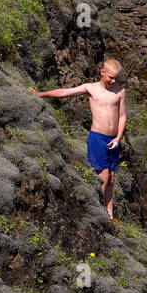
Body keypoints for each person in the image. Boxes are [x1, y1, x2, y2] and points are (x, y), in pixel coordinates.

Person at [29, 58, 126, 220]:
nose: (113, 80)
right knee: (104, 175)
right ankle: (98, 210)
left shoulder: (120, 91)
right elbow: (65, 92)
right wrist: (41, 94)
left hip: (113, 139)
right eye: (110, 77)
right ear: (102, 73)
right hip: (97, 137)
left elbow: (122, 116)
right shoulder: (91, 88)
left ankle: (110, 214)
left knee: (112, 177)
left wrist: (118, 137)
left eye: (116, 78)